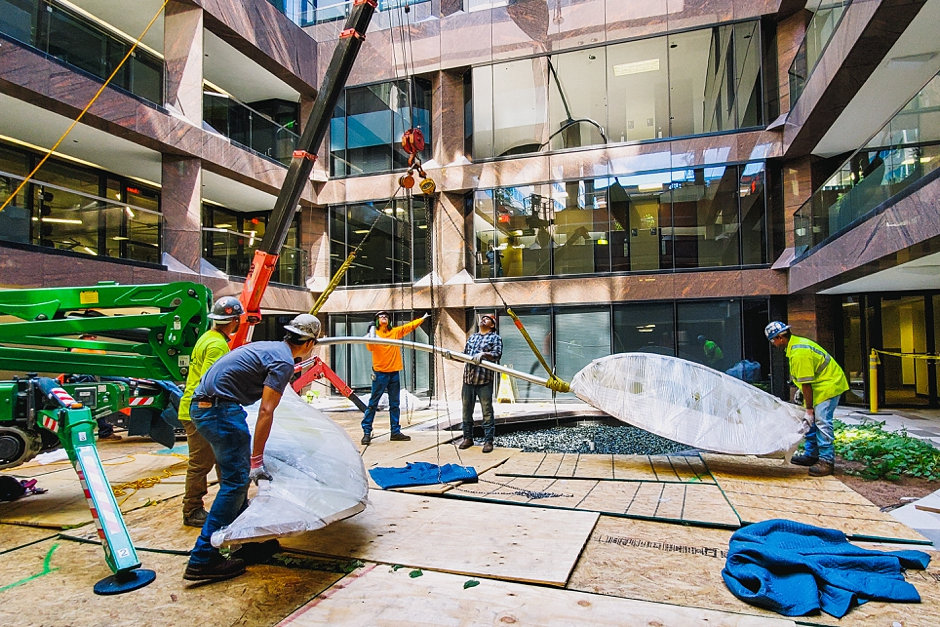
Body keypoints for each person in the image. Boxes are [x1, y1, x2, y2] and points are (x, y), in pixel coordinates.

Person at [183, 313, 320, 582]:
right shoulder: (283, 362)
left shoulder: (269, 348)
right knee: (235, 484)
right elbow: (267, 410)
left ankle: (246, 542)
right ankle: (202, 558)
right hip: (219, 411)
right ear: (308, 344)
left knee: (236, 481)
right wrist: (257, 459)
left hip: (206, 407)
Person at [177, 296, 243, 528]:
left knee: (220, 458)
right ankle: (192, 509)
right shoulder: (217, 345)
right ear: (234, 320)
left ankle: (230, 504)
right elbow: (210, 383)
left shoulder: (207, 337)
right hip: (200, 412)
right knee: (201, 462)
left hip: (194, 409)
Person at [766, 321, 849, 477]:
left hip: (828, 386)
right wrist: (801, 392)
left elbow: (807, 384)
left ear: (780, 338)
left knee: (821, 421)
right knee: (810, 422)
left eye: (772, 340)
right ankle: (812, 455)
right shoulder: (795, 347)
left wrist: (809, 409)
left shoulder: (799, 353)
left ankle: (826, 461)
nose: (773, 344)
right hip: (820, 385)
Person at [360, 310, 428, 446]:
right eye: (381, 316)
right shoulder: (373, 334)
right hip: (380, 373)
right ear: (377, 320)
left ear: (389, 320)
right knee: (373, 403)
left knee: (394, 404)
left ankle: (395, 432)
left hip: (394, 373)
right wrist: (370, 333)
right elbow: (370, 346)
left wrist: (422, 319)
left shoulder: (394, 332)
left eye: (386, 316)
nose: (383, 318)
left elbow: (408, 327)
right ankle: (367, 432)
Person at [458, 314, 503, 454]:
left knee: (487, 411)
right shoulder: (472, 337)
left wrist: (484, 354)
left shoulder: (495, 338)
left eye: (487, 319)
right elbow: (465, 354)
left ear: (492, 325)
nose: (483, 320)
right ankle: (467, 438)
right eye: (482, 318)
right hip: (468, 380)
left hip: (484, 380)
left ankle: (488, 440)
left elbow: (497, 354)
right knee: (466, 410)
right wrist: (453, 355)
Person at [68, 334, 121, 441]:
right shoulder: (78, 349)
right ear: (82, 337)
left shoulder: (99, 350)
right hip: (85, 382)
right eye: (89, 336)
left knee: (103, 407)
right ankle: (87, 434)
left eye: (94, 336)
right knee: (90, 409)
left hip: (97, 381)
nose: (93, 338)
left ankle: (105, 432)